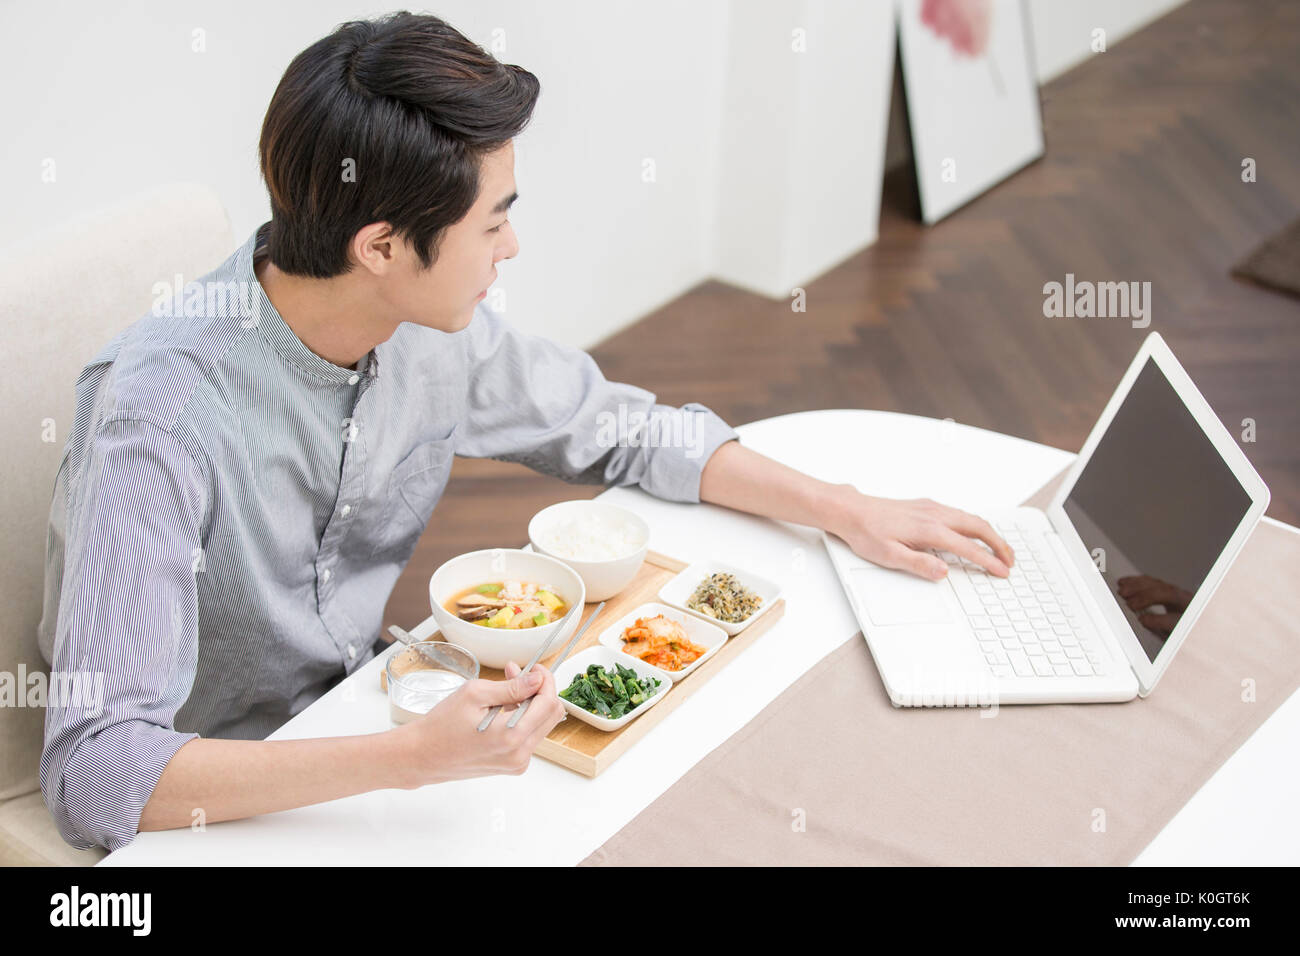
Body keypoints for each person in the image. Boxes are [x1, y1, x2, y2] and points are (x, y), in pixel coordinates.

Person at [38, 11, 1014, 853]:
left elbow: (626, 430)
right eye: (492, 222)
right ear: (379, 246)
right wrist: (411, 761)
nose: (514, 246)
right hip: (226, 798)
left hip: (373, 706)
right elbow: (95, 771)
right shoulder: (159, 415)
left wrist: (845, 508)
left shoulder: (425, 334)